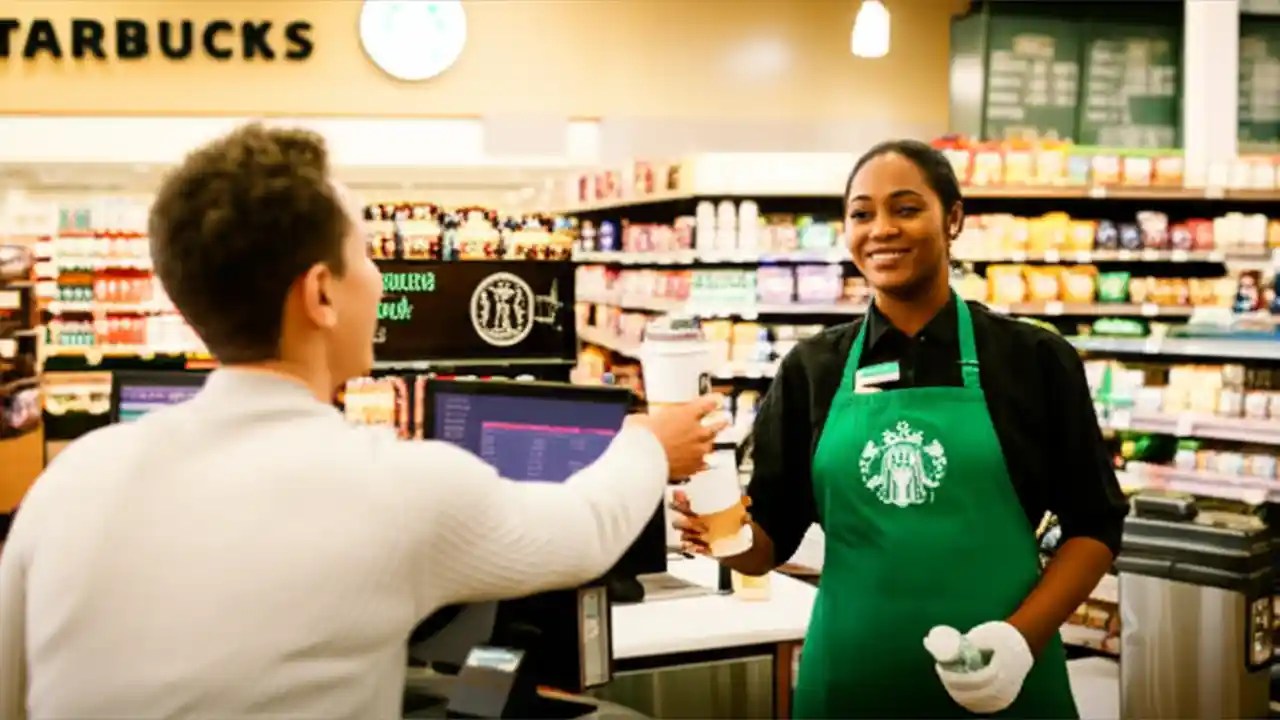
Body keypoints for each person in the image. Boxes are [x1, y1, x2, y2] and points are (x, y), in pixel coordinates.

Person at [0, 124, 723, 719]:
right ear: (320, 294)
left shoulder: (70, 482)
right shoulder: (391, 488)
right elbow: (585, 529)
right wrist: (649, 441)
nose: (379, 279)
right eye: (365, 255)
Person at [673, 139, 1128, 718]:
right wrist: (723, 535)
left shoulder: (1034, 358)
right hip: (851, 679)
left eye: (906, 208)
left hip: (1006, 679)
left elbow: (1095, 524)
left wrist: (1022, 640)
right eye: (862, 213)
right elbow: (770, 542)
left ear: (954, 218)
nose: (881, 229)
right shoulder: (813, 369)